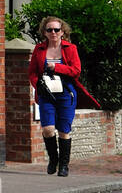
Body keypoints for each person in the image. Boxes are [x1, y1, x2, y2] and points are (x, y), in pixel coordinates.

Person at [27, 15, 99, 176]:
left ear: (62, 32)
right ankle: (53, 159)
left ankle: (64, 165)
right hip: (46, 94)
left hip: (66, 93)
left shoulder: (70, 49)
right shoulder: (39, 49)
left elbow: (76, 70)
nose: (53, 32)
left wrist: (57, 68)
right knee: (48, 129)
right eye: (49, 30)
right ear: (44, 32)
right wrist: (37, 84)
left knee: (64, 130)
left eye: (56, 30)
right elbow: (32, 72)